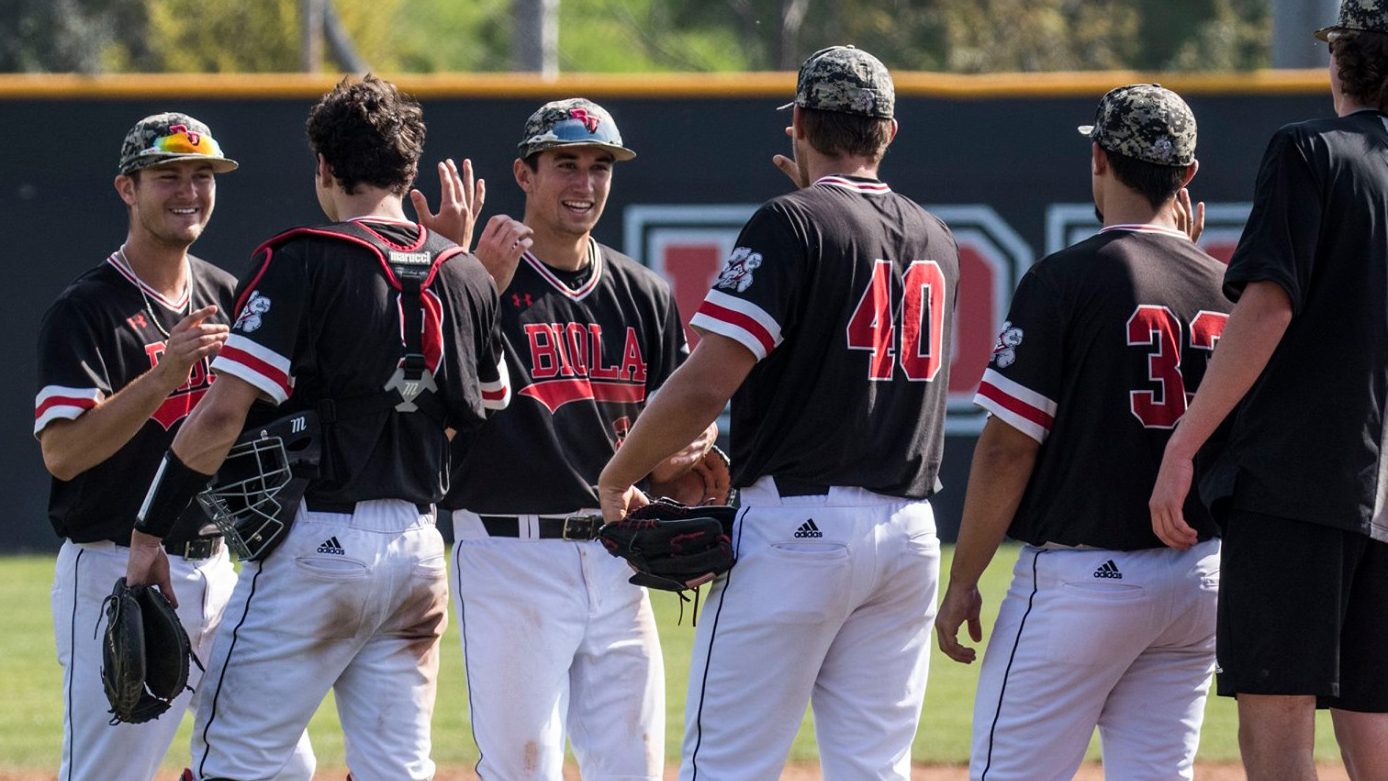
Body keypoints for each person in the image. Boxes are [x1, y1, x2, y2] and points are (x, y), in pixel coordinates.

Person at [124, 75, 509, 781]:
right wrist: (454, 264)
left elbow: (220, 413)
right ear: (408, 169)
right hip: (420, 550)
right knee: (398, 768)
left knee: (231, 759)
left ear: (326, 168)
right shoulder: (468, 276)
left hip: (317, 543)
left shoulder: (298, 257)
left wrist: (150, 531)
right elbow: (487, 407)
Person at [597, 45, 957, 781]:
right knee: (874, 767)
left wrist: (618, 476)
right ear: (888, 132)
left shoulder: (792, 223)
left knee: (728, 764)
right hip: (910, 538)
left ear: (797, 122)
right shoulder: (935, 236)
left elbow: (705, 384)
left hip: (802, 531)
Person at [934, 84, 1229, 781]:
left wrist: (965, 578)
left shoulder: (1066, 278)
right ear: (1187, 176)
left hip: (1086, 581)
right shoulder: (1227, 287)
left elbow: (1007, 447)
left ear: (1097, 157)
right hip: (1200, 582)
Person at [441, 97, 718, 781]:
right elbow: (437, 405)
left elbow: (666, 435)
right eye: (566, 164)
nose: (585, 183)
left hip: (616, 555)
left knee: (633, 766)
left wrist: (687, 451)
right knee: (521, 768)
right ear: (525, 174)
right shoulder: (484, 280)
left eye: (600, 166)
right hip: (509, 552)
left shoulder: (644, 292)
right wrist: (470, 284)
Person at [35, 112, 314, 781]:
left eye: (202, 176)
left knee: (279, 766)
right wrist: (162, 378)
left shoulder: (229, 297)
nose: (189, 191)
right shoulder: (87, 310)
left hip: (218, 567)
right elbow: (63, 454)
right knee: (111, 770)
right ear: (127, 188)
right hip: (115, 571)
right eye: (168, 176)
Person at [1150, 3, 1388, 779]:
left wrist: (1186, 440)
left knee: (1277, 720)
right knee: (1373, 727)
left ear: (1341, 61)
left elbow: (1268, 306)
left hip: (1295, 483)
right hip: (1382, 492)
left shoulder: (1309, 151)